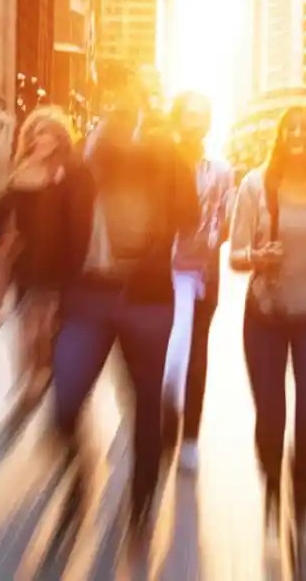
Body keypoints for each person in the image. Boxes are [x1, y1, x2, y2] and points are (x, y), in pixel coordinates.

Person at [49, 87, 198, 549]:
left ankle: (140, 507)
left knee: (146, 407)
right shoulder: (84, 165)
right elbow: (56, 222)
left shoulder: (167, 159)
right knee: (64, 405)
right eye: (116, 113)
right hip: (88, 297)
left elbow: (188, 215)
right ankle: (80, 474)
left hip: (146, 299)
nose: (124, 120)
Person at [229, 102, 306, 572]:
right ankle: (271, 484)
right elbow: (236, 255)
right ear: (280, 136)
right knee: (270, 420)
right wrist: (258, 256)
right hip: (265, 316)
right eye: (291, 128)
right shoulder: (256, 186)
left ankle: (299, 509)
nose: (299, 135)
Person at [0, 106, 78, 442]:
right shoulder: (19, 172)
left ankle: (40, 387)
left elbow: (74, 224)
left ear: (59, 140)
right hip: (25, 266)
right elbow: (3, 218)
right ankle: (33, 382)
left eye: (49, 134)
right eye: (36, 133)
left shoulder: (65, 175)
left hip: (56, 267)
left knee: (42, 333)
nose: (41, 139)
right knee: (27, 336)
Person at [161, 91, 235, 473]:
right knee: (160, 355)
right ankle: (159, 423)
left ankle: (190, 436)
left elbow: (226, 221)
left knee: (197, 355)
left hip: (203, 273)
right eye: (188, 114)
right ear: (177, 119)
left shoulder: (220, 170)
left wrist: (207, 239)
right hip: (159, 273)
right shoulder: (158, 161)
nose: (195, 122)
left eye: (202, 115)